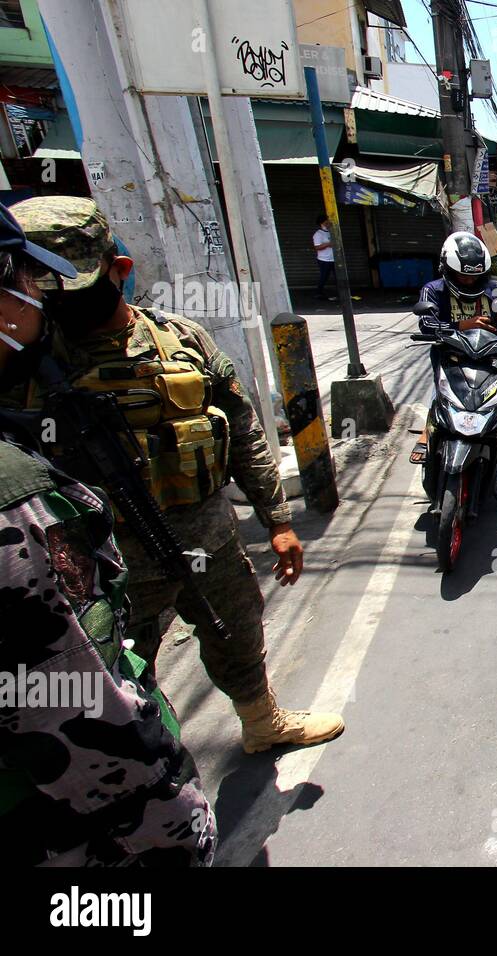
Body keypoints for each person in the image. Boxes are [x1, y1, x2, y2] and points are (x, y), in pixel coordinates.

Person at [11, 196, 344, 755]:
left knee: (238, 632)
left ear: (119, 271)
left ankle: (262, 723)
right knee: (113, 672)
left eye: (77, 286)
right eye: (43, 289)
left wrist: (278, 518)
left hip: (207, 538)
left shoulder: (181, 340)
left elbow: (241, 428)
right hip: (101, 565)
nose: (62, 305)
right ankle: (143, 766)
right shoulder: (23, 364)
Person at [0, 202, 217, 865]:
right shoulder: (18, 494)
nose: (41, 301)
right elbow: (64, 700)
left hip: (190, 541)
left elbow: (233, 417)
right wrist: (174, 828)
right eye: (28, 283)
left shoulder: (175, 337)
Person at [413, 232, 497, 457]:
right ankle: (426, 433)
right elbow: (426, 324)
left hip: (490, 359)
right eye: (462, 277)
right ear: (447, 270)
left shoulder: (493, 290)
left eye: (474, 277)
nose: (469, 281)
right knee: (440, 391)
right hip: (451, 356)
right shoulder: (433, 290)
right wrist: (463, 325)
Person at [312, 213, 335, 300]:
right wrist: (328, 244)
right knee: (324, 277)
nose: (330, 222)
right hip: (324, 260)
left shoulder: (330, 232)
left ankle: (342, 293)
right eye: (327, 221)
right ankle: (318, 293)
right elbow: (317, 247)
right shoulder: (318, 234)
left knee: (338, 276)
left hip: (333, 259)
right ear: (323, 223)